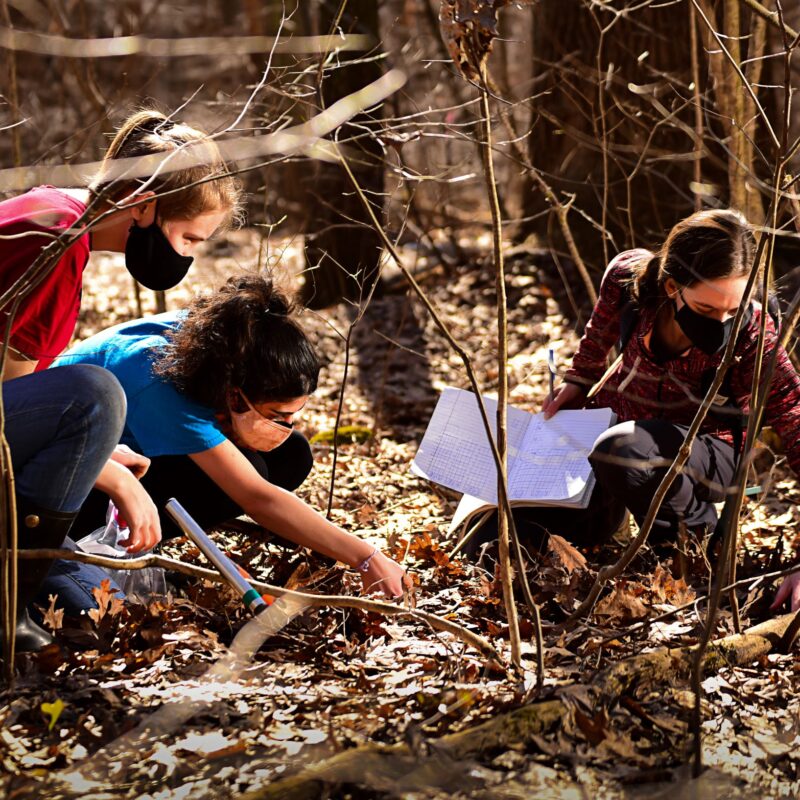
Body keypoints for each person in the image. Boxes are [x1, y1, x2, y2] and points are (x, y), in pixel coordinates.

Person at [468, 209, 800, 612]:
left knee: (622, 448)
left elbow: (794, 416)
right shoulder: (630, 283)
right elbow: (596, 335)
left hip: (708, 451)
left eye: (734, 309)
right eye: (707, 310)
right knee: (493, 538)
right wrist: (577, 383)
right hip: (613, 444)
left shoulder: (752, 333)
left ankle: (696, 544)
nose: (722, 322)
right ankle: (606, 524)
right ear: (673, 287)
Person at [1, 109, 242, 650]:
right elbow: (3, 411)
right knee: (94, 394)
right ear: (143, 203)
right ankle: (7, 606)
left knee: (102, 600)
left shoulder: (57, 212)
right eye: (188, 238)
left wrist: (101, 455)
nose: (186, 256)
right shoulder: (54, 242)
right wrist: (117, 479)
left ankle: (46, 574)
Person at [47, 273, 411, 604]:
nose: (284, 425)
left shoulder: (228, 343)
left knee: (291, 453)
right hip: (58, 491)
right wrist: (366, 557)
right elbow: (255, 496)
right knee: (250, 471)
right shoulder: (159, 377)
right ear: (236, 395)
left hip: (123, 458)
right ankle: (120, 551)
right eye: (275, 415)